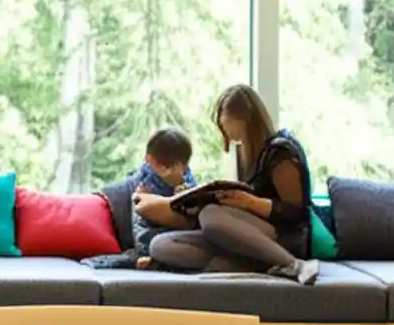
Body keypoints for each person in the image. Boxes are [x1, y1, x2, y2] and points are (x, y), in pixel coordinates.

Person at [135, 84, 320, 285]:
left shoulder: (280, 152)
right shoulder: (244, 153)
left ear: (242, 119)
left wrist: (250, 203)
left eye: (224, 122)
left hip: (284, 238)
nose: (223, 129)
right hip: (242, 235)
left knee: (210, 215)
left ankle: (294, 264)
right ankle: (252, 265)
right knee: (160, 245)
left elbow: (298, 214)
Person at [131, 127, 198, 270]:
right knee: (141, 223)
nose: (166, 172)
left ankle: (168, 259)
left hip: (175, 227)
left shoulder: (186, 178)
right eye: (159, 166)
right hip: (151, 226)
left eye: (173, 167)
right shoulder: (146, 176)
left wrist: (181, 186)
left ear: (183, 165)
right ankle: (149, 255)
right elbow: (140, 203)